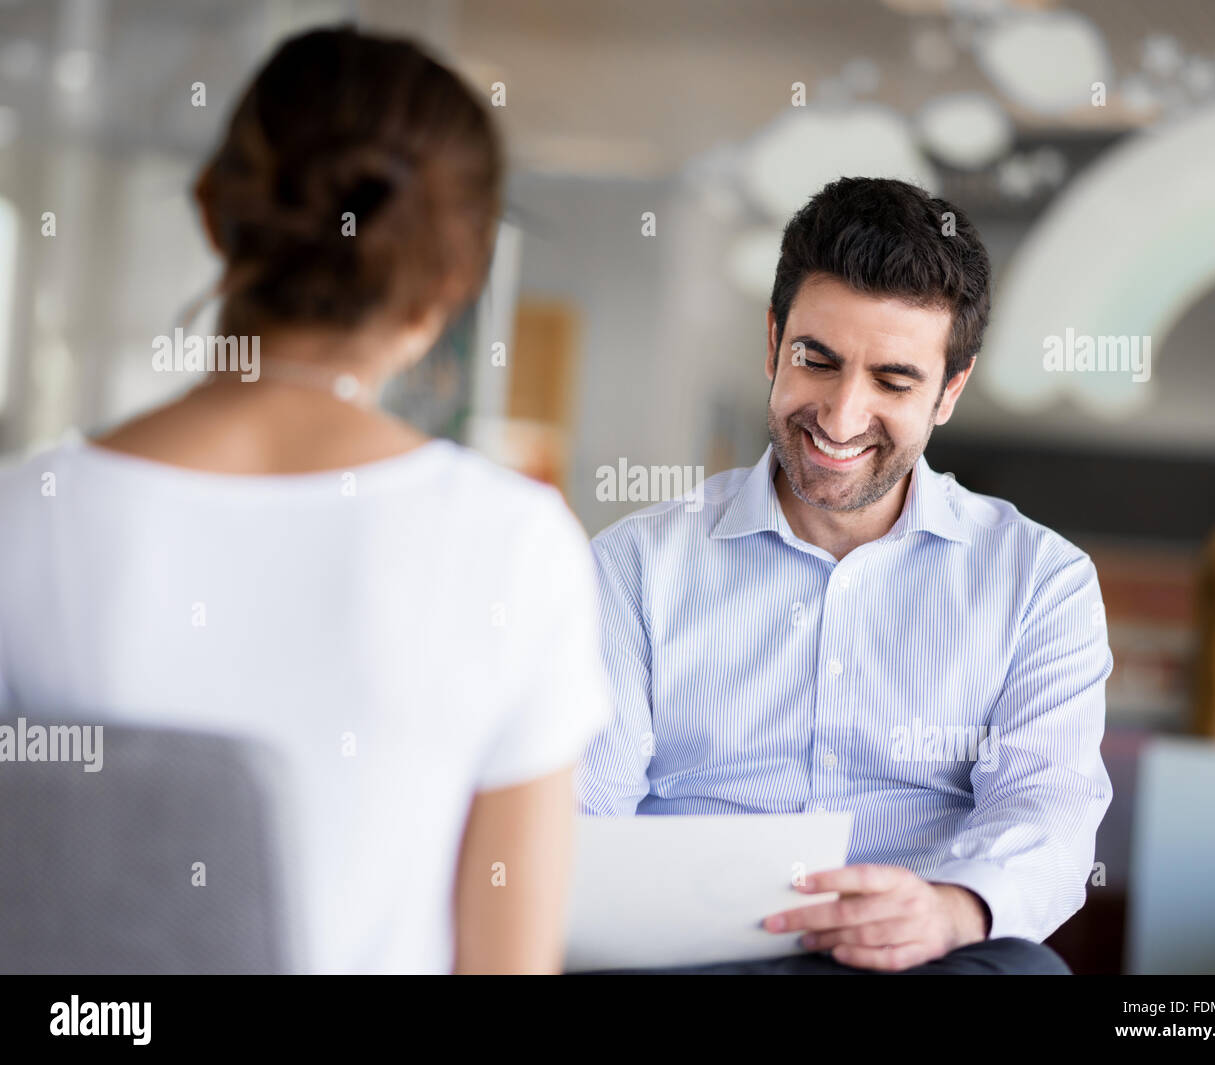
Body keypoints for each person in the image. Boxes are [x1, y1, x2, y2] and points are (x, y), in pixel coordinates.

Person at [0, 26, 609, 974]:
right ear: (454, 281)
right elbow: (507, 961)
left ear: (216, 212)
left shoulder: (25, 515)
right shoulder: (515, 546)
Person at [577, 177, 1112, 975]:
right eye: (816, 361)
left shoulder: (1041, 581)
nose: (839, 415)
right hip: (688, 956)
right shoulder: (633, 565)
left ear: (949, 391)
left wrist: (950, 909)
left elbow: (1050, 806)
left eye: (893, 382)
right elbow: (583, 814)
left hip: (918, 958)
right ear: (772, 344)